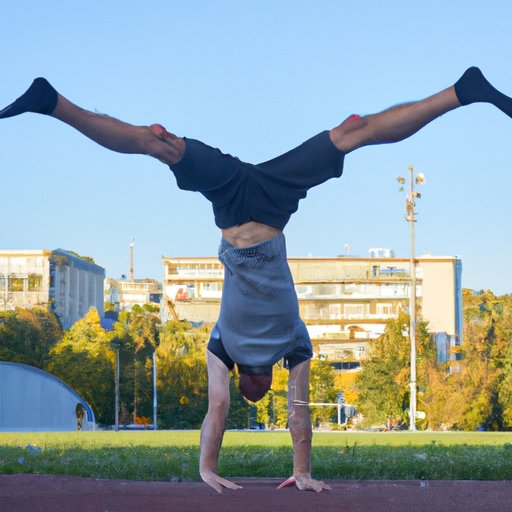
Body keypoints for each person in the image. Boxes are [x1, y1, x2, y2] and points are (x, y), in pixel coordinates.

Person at [1, 67, 511, 493]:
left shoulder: (223, 347)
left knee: (158, 143)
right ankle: (464, 91)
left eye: (255, 386)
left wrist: (207, 468)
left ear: (248, 379)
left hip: (231, 202)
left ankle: (52, 102)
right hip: (271, 202)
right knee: (352, 130)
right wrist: (302, 471)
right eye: (262, 387)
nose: (260, 386)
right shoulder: (295, 345)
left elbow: (218, 407)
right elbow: (299, 413)